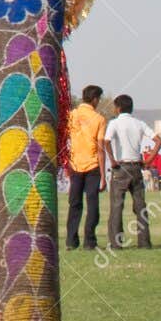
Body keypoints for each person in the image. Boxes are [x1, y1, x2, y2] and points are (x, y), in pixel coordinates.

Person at [104, 94, 161, 250]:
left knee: (116, 206)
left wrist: (113, 159)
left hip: (120, 168)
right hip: (136, 167)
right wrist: (149, 160)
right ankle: (144, 242)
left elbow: (106, 141)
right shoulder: (139, 124)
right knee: (140, 207)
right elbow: (158, 141)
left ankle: (116, 243)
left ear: (118, 108)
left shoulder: (114, 123)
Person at [64, 84, 106, 250]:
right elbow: (100, 149)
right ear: (95, 99)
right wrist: (103, 176)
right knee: (92, 203)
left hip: (75, 164)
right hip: (92, 166)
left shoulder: (72, 115)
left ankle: (71, 241)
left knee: (74, 204)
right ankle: (90, 241)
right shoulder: (99, 119)